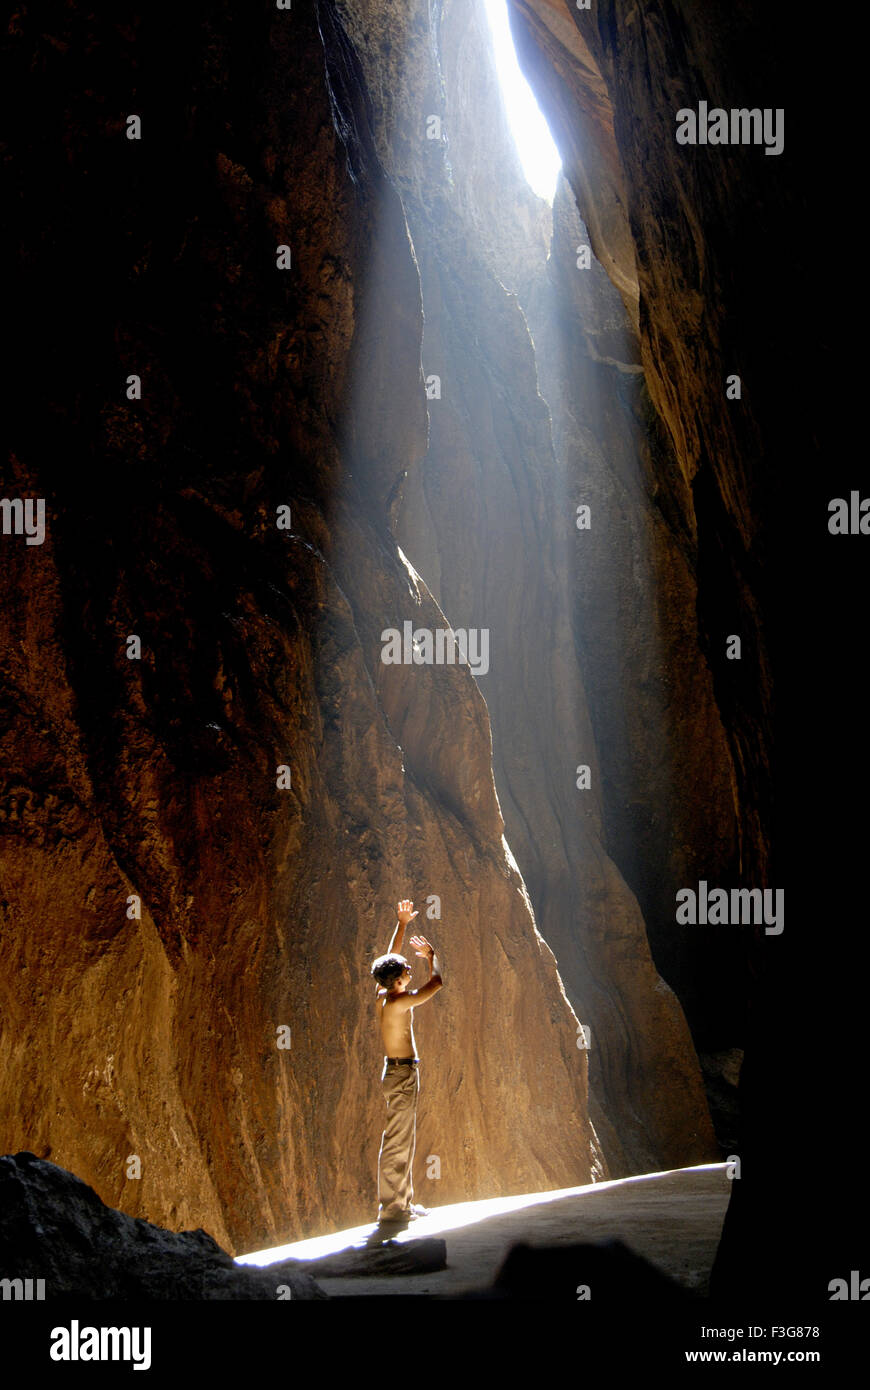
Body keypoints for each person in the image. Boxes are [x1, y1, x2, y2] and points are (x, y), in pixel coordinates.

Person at [370, 898, 443, 1228]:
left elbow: (389, 959)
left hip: (397, 1072)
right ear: (397, 981)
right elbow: (437, 983)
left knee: (401, 1139)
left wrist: (402, 924)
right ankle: (393, 1210)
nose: (408, 970)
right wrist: (433, 958)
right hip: (402, 1073)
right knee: (399, 1142)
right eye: (404, 971)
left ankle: (402, 1204)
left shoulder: (383, 994)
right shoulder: (400, 1002)